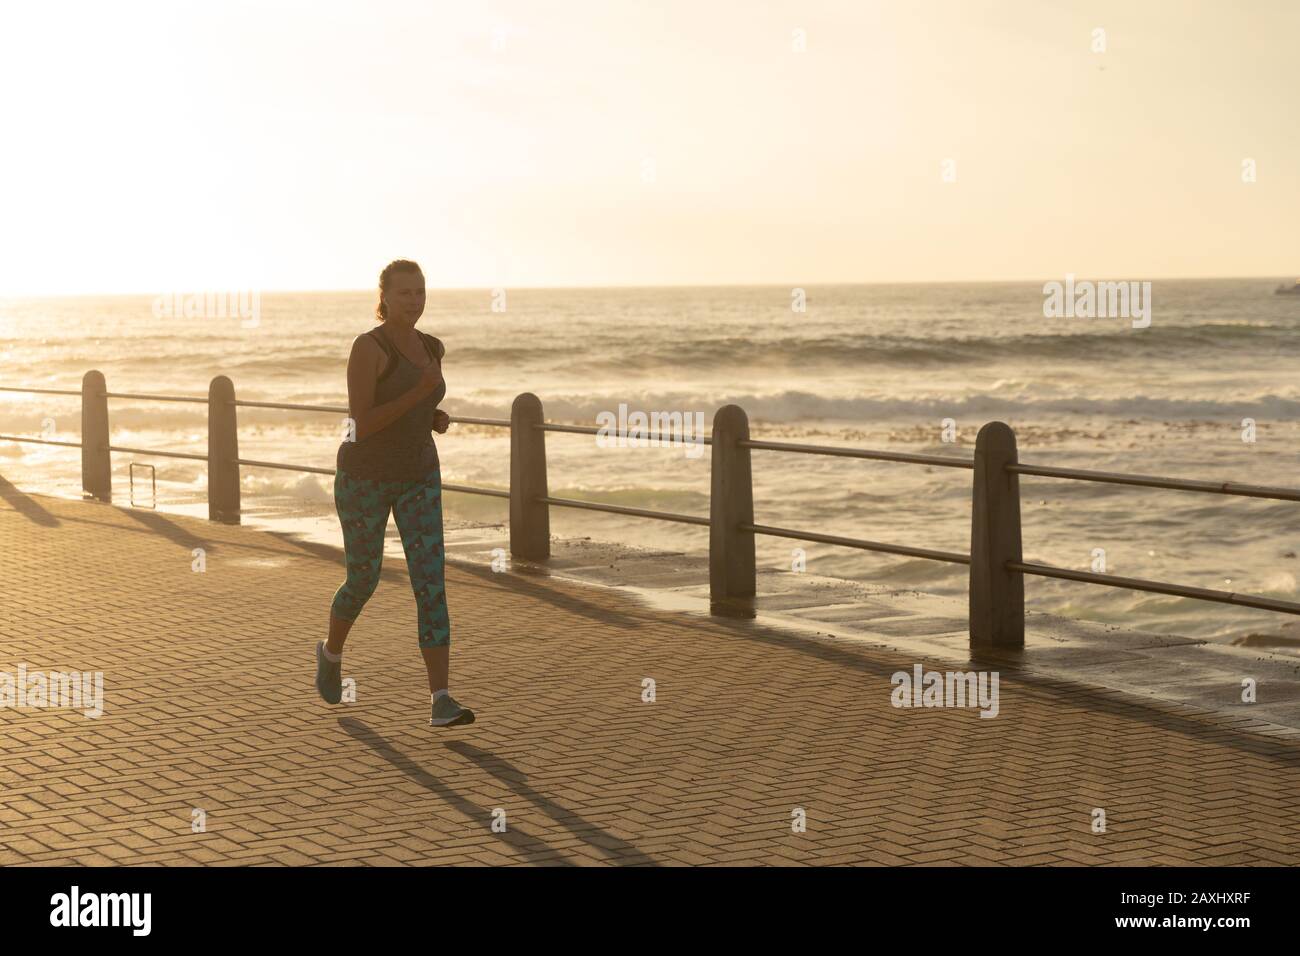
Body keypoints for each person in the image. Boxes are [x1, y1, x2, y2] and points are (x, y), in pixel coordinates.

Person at [315, 258, 473, 727]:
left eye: (421, 292)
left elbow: (419, 405)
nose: (415, 301)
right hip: (365, 476)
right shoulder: (370, 347)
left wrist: (432, 416)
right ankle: (331, 651)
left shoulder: (432, 347)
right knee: (364, 578)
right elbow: (360, 424)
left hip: (419, 475)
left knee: (431, 582)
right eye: (404, 293)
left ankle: (440, 698)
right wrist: (417, 395)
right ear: (384, 297)